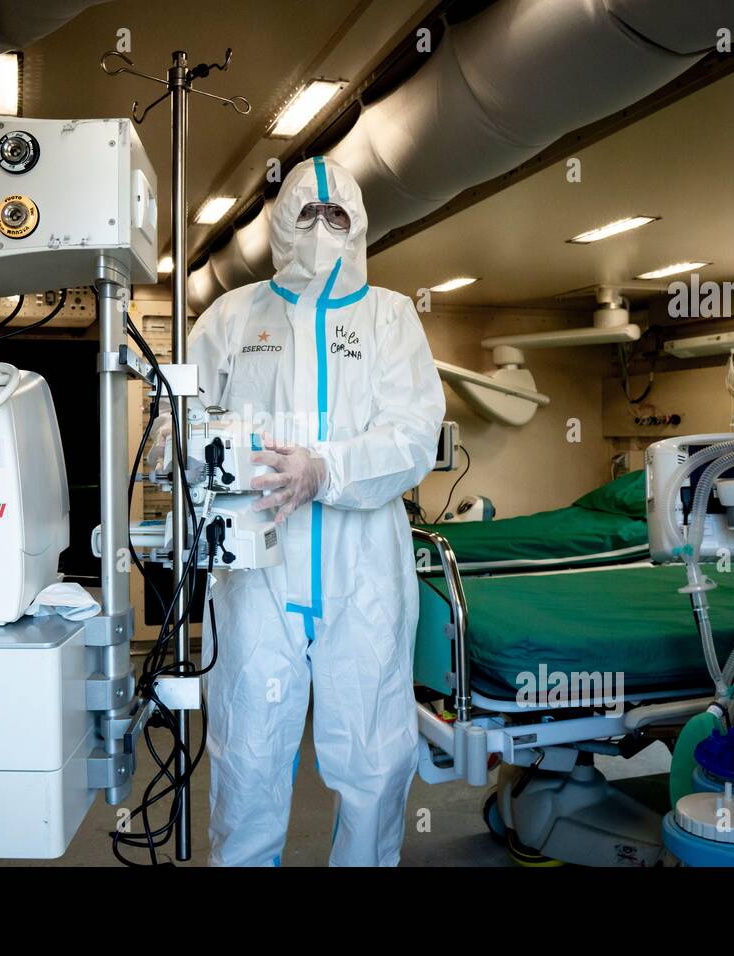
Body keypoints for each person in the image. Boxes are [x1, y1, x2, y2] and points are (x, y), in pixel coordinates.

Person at [164, 156, 445, 866]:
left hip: (366, 578)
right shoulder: (231, 315)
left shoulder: (390, 318)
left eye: (337, 216)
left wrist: (326, 470)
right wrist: (219, 454)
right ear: (280, 223)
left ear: (360, 226)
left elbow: (414, 435)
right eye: (306, 215)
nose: (321, 231)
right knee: (249, 753)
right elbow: (176, 421)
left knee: (374, 761)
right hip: (258, 570)